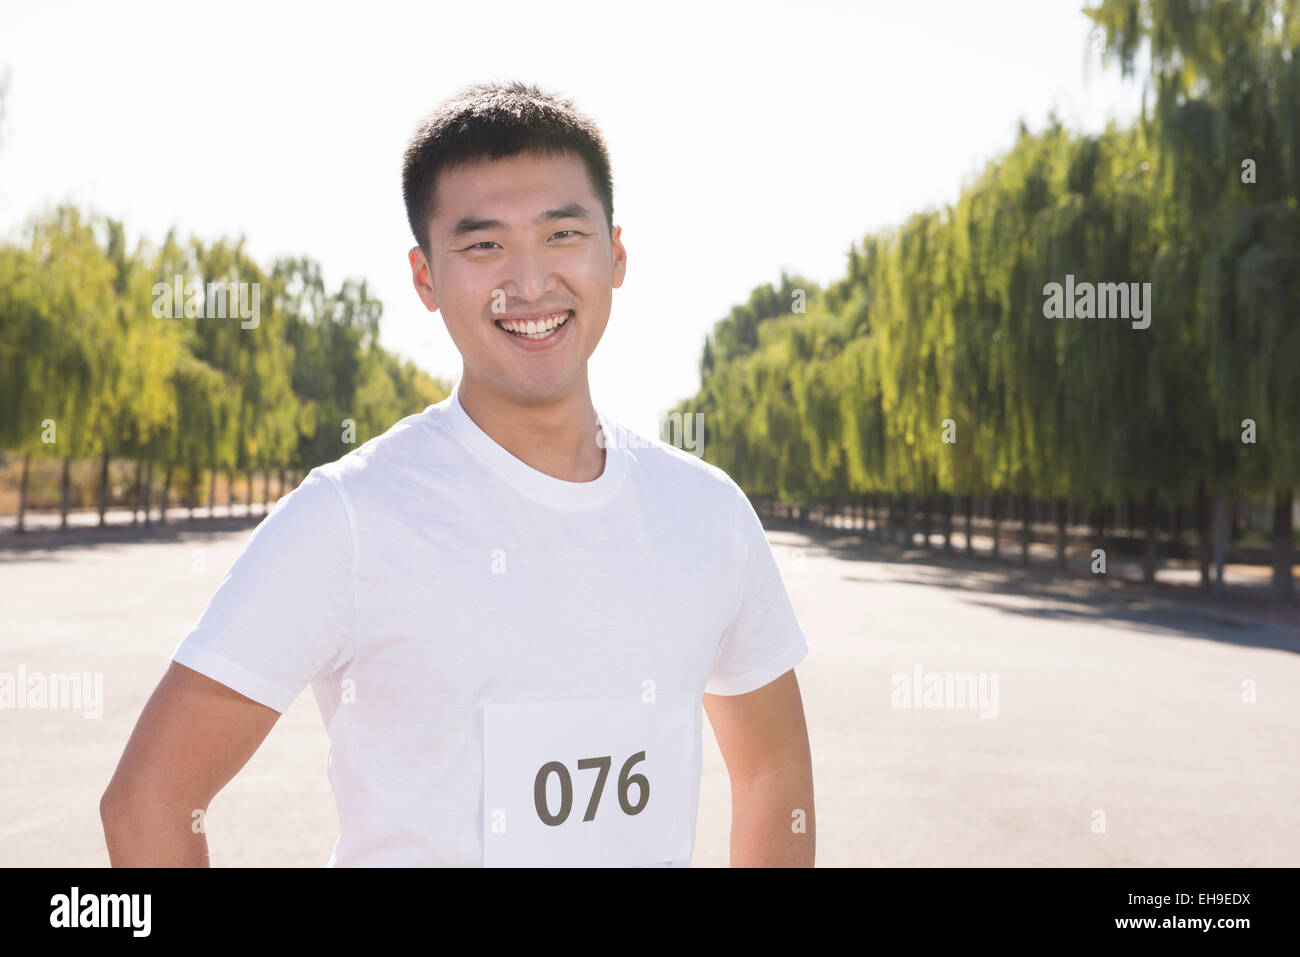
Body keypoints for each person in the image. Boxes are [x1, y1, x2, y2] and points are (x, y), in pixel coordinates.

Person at [100, 81, 814, 867]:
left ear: (615, 254)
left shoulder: (708, 513)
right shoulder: (349, 516)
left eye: (562, 234)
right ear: (425, 278)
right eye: (483, 246)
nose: (530, 281)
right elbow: (150, 801)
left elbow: (773, 771)